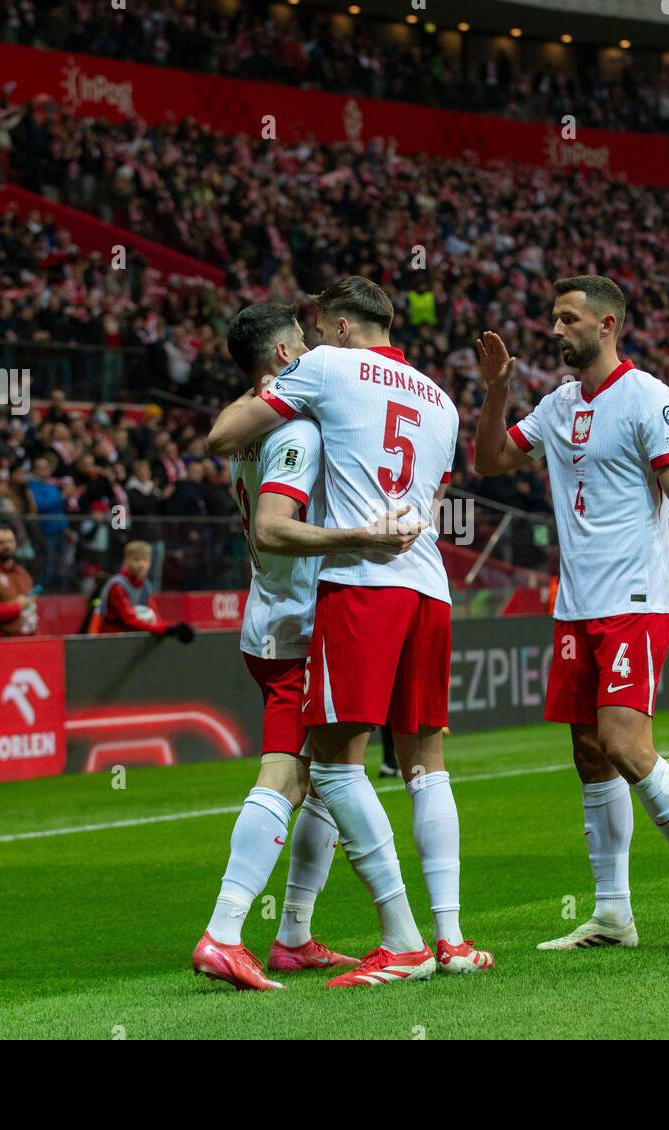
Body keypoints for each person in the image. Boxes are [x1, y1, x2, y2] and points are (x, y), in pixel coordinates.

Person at [208, 277, 494, 987]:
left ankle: (347, 935)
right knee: (413, 763)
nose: (308, 345)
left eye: (315, 331)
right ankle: (442, 936)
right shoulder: (442, 399)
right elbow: (433, 495)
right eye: (295, 341)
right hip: (421, 582)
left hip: (344, 592)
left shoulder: (321, 378)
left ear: (336, 329)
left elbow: (221, 438)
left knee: (326, 767)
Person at [473, 274, 669, 952]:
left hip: (636, 600)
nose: (554, 331)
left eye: (567, 320)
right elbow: (491, 459)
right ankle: (613, 911)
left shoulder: (650, 399)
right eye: (553, 320)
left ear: (607, 324)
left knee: (624, 744)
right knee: (590, 753)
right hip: (577, 606)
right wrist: (497, 387)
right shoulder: (558, 405)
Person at [194, 301, 426, 991]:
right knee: (291, 776)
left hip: (278, 614)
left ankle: (292, 934)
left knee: (325, 777)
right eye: (305, 344)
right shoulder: (296, 429)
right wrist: (364, 539)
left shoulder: (267, 418)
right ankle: (224, 932)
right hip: (292, 624)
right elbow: (273, 528)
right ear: (286, 357)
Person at [93, 540, 193, 641]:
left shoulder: (146, 585)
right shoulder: (118, 586)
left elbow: (155, 617)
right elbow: (130, 621)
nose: (141, 565)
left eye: (145, 560)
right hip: (111, 641)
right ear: (127, 561)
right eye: (136, 560)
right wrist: (167, 629)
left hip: (132, 640)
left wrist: (174, 628)